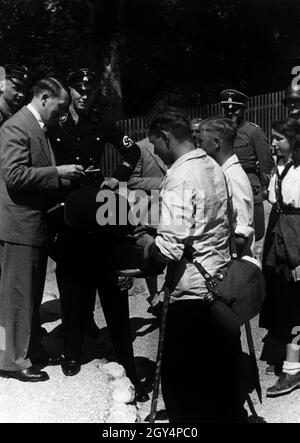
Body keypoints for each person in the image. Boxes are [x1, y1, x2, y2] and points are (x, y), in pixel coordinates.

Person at [134, 106, 247, 422]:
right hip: (220, 281)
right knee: (216, 371)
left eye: (153, 142)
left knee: (183, 375)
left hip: (191, 291)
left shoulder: (180, 176)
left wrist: (147, 245)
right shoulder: (211, 163)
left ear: (165, 136)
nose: (154, 150)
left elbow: (170, 248)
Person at [48, 68, 147, 401]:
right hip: (63, 206)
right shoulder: (55, 121)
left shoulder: (101, 123)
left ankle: (122, 354)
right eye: (78, 91)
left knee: (108, 271)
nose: (83, 97)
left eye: (88, 92)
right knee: (71, 280)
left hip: (96, 202)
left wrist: (115, 178)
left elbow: (132, 153)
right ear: (69, 91)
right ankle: (73, 351)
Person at [0, 77, 84, 382]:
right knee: (17, 297)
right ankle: (11, 360)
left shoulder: (36, 127)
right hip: (19, 225)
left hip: (32, 223)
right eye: (60, 107)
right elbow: (14, 174)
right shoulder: (16, 126)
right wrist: (56, 173)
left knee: (30, 295)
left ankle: (31, 349)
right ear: (44, 98)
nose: (62, 114)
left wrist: (63, 178)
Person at [259, 118, 300, 395]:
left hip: (297, 241)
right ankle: (282, 354)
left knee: (297, 306)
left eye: (279, 138)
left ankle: (292, 370)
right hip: (279, 240)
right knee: (281, 299)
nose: (273, 143)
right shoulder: (280, 167)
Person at [220, 89, 274, 250]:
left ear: (243, 108)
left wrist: (263, 189)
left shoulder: (253, 132)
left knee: (250, 234)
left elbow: (266, 164)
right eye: (227, 109)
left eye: (235, 109)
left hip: (249, 186)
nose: (231, 113)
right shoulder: (219, 131)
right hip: (223, 185)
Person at [199, 117, 254, 257]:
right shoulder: (222, 173)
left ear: (217, 143)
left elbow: (241, 233)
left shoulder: (233, 177)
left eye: (201, 142)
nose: (199, 147)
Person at [128, 136, 166, 310]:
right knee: (151, 254)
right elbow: (132, 180)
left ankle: (168, 294)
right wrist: (164, 183)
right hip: (149, 206)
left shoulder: (175, 144)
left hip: (173, 205)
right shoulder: (140, 148)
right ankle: (154, 295)